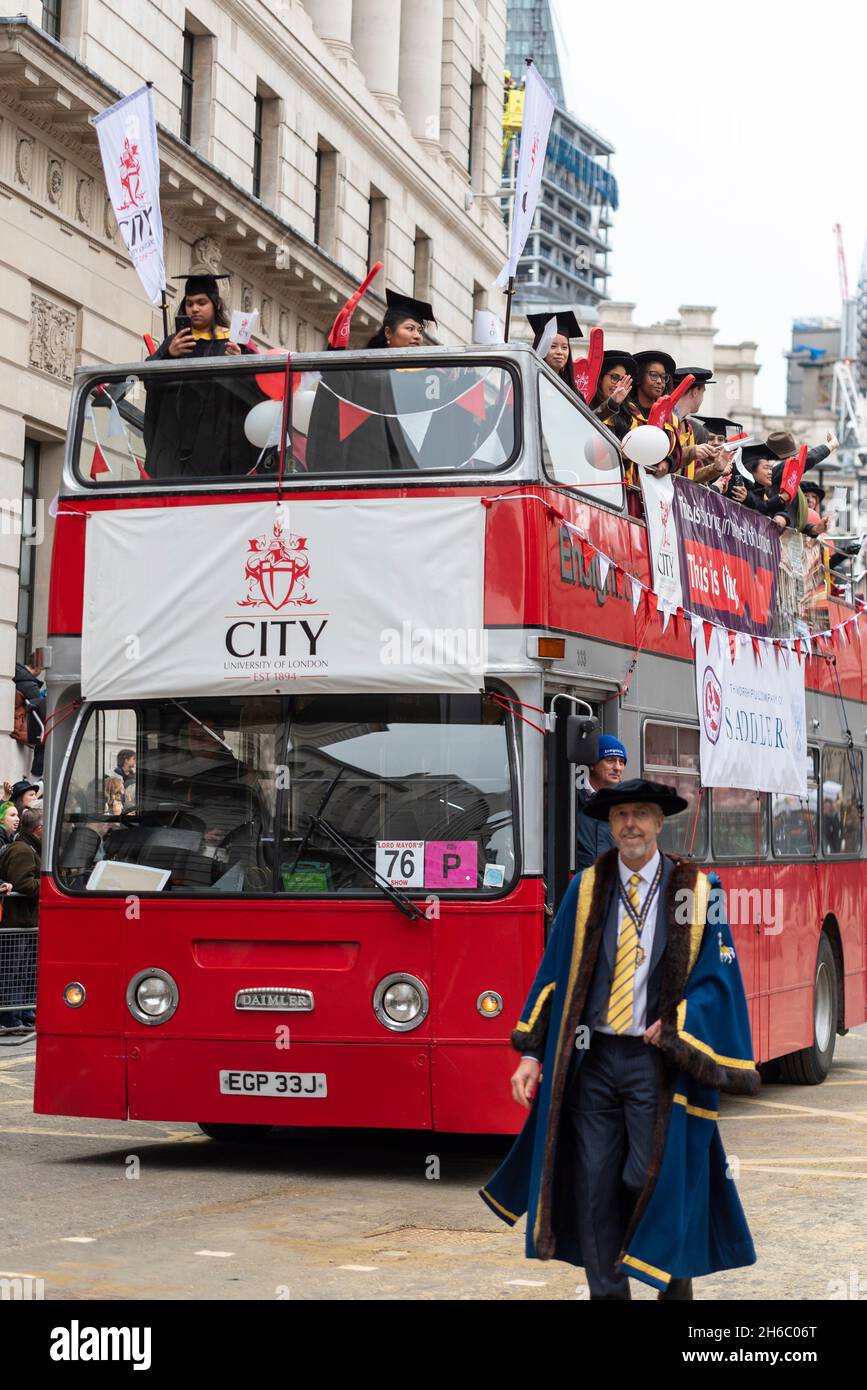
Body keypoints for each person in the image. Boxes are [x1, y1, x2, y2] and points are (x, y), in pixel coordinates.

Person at [480, 778, 759, 1300]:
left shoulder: (698, 890)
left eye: (640, 814)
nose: (630, 823)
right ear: (609, 826)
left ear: (658, 822)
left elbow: (718, 979)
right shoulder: (586, 888)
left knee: (652, 1181)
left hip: (658, 1066)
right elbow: (553, 975)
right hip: (595, 1061)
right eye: (620, 815)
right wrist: (533, 1054)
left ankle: (674, 1290)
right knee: (594, 1188)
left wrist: (679, 1022)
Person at [143, 264, 260, 479]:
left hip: (218, 443)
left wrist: (240, 363)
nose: (194, 309)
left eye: (201, 302)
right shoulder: (176, 342)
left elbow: (257, 390)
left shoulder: (234, 343)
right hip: (176, 441)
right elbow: (148, 379)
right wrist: (169, 354)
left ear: (215, 305)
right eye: (189, 303)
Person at [306, 290, 437, 472]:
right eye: (410, 328)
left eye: (419, 331)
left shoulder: (427, 380)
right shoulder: (365, 372)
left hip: (409, 468)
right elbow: (338, 387)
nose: (417, 336)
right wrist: (335, 352)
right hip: (370, 465)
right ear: (389, 333)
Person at [0, 803, 41, 1034]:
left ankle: (23, 1012)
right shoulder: (23, 850)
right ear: (39, 829)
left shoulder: (29, 847)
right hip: (18, 921)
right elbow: (22, 883)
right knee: (13, 971)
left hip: (25, 921)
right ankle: (10, 1015)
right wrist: (48, 883)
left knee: (25, 970)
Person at [575, 735, 627, 871]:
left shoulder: (627, 804)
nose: (617, 768)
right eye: (610, 760)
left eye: (621, 762)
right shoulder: (570, 799)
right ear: (592, 764)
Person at [625, 351, 680, 481]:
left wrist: (668, 463)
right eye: (654, 375)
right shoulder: (625, 411)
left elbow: (677, 453)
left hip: (655, 491)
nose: (660, 382)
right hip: (626, 488)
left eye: (663, 377)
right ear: (639, 377)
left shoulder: (670, 418)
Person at [670, 368, 726, 483]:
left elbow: (691, 476)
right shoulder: (666, 419)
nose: (702, 398)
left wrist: (716, 468)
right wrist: (692, 451)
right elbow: (661, 460)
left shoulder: (687, 427)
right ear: (695, 391)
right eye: (703, 392)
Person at [527, 311, 583, 392]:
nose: (560, 352)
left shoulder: (573, 391)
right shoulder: (529, 384)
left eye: (564, 347)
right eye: (553, 346)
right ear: (541, 347)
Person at [590, 350, 636, 441]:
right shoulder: (584, 402)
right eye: (615, 378)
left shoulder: (627, 412)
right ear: (600, 376)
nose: (619, 385)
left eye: (622, 380)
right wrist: (612, 403)